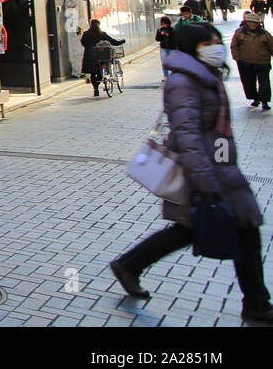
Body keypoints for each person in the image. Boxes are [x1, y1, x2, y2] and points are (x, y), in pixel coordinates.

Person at [109, 22, 273, 324]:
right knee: (237, 230)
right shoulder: (184, 82)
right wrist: (208, 178)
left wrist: (225, 162)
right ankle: (257, 304)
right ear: (192, 48)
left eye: (215, 41)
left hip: (219, 169)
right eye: (206, 43)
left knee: (207, 229)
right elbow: (187, 135)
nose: (215, 47)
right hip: (205, 171)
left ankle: (130, 264)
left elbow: (219, 132)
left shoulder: (205, 76)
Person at [232, 11, 273, 110]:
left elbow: (271, 46)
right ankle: (255, 98)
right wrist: (237, 58)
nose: (253, 24)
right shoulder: (239, 32)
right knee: (248, 82)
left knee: (264, 83)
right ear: (246, 22)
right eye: (250, 22)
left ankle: (264, 101)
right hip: (245, 62)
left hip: (263, 62)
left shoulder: (265, 33)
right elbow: (234, 46)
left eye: (255, 22)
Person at [80, 19, 125, 97]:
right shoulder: (102, 34)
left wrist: (90, 48)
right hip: (101, 57)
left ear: (91, 25)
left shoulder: (86, 34)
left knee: (93, 74)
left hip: (89, 57)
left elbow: (83, 43)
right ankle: (101, 82)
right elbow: (113, 41)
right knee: (100, 73)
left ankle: (95, 89)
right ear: (98, 25)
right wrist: (122, 41)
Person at [155, 16, 175, 82]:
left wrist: (169, 35)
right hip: (163, 48)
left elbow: (176, 39)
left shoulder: (173, 30)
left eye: (166, 24)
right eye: (163, 24)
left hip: (172, 48)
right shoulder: (160, 30)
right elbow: (157, 39)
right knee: (164, 62)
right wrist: (161, 34)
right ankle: (165, 76)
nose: (165, 25)